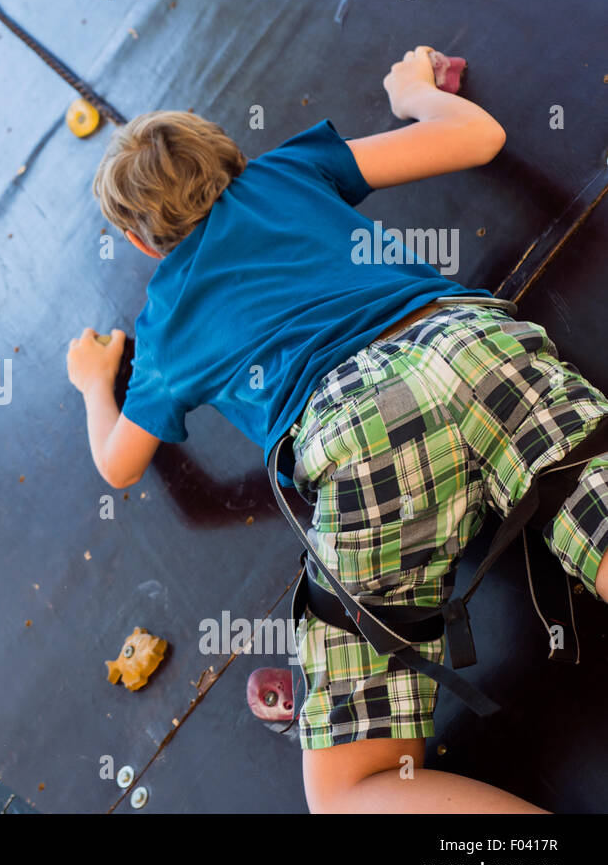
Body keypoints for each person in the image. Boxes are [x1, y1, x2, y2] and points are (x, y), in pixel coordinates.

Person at [67, 46, 608, 812]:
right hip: (464, 343)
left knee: (350, 792)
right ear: (231, 160)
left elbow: (117, 464)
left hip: (356, 427)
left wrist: (94, 381)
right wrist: (413, 90)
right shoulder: (285, 172)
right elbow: (478, 137)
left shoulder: (163, 327)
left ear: (142, 246)